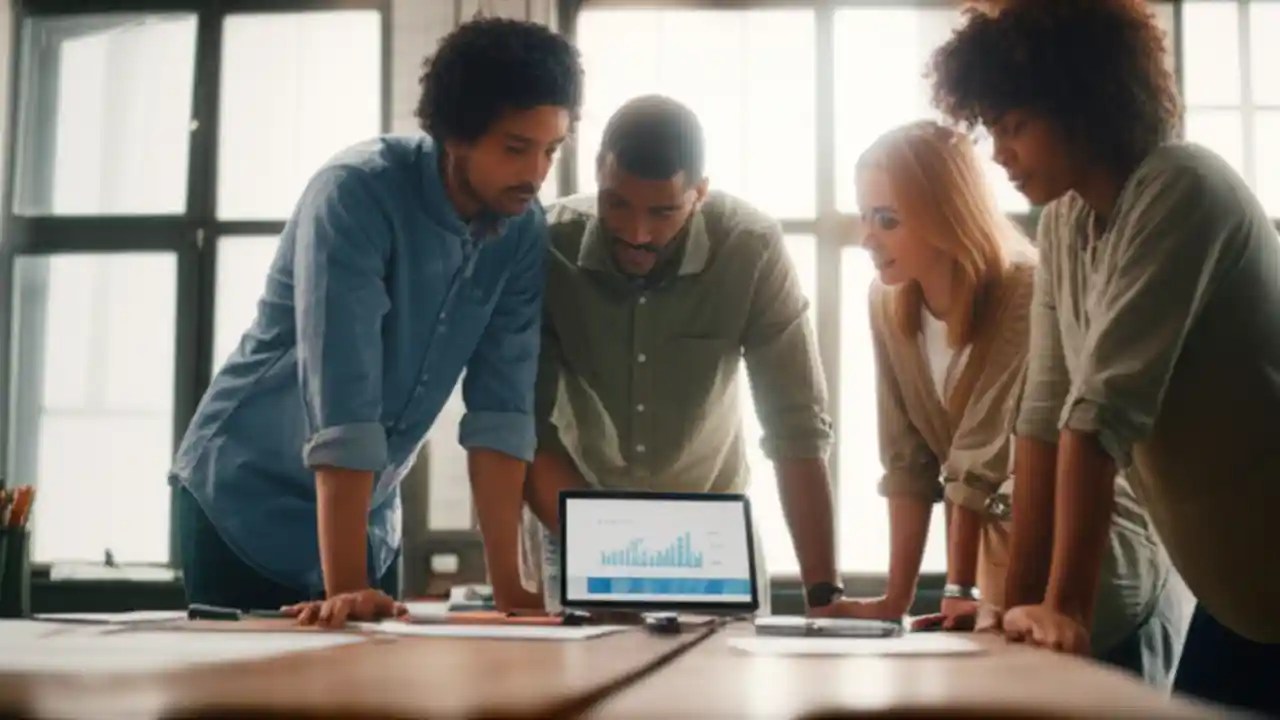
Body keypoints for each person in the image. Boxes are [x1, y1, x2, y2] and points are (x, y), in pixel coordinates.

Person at [168, 18, 583, 627]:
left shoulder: (522, 231)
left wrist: (509, 591)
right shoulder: (356, 194)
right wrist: (347, 590)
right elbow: (345, 401)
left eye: (551, 149)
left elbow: (502, 414)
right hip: (245, 500)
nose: (537, 173)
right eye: (516, 148)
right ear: (456, 134)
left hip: (365, 514)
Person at [930, 0, 1280, 713]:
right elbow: (1043, 413)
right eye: (991, 128)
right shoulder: (1065, 222)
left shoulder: (1182, 185)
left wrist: (1068, 608)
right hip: (1240, 599)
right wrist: (1019, 611)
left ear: (1083, 103)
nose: (999, 152)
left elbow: (1102, 410)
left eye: (1014, 126)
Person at [817, 120, 1187, 686]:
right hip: (1002, 561)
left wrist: (959, 588)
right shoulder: (887, 303)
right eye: (864, 216)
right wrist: (895, 599)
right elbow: (908, 461)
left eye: (887, 220)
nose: (867, 237)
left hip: (1091, 547)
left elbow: (980, 456)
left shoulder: (1027, 288)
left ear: (946, 215)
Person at [495, 95, 840, 613]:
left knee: (718, 666)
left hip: (709, 527)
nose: (637, 233)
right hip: (572, 514)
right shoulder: (546, 244)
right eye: (617, 204)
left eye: (663, 212)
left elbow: (797, 426)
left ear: (699, 193)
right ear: (598, 174)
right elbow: (523, 425)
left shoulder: (750, 247)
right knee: (580, 665)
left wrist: (823, 593)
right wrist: (606, 542)